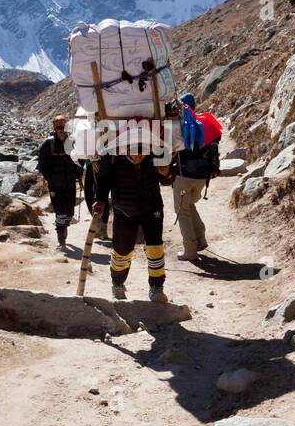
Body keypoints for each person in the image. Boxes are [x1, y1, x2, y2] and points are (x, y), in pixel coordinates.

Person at [92, 150, 172, 302]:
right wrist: (100, 199)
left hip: (152, 207)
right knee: (122, 251)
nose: (139, 155)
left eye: (142, 151)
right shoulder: (112, 156)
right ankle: (117, 284)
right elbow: (103, 180)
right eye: (134, 151)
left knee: (155, 248)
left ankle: (156, 288)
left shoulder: (156, 151)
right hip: (123, 210)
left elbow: (168, 180)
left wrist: (167, 173)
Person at [170, 93, 220, 260]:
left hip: (185, 176)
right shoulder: (205, 122)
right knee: (189, 205)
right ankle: (200, 238)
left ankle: (190, 250)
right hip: (203, 177)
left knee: (181, 211)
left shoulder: (182, 125)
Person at [37, 114, 82, 248]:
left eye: (64, 126)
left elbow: (80, 159)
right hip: (55, 185)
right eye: (59, 127)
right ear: (54, 128)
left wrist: (78, 173)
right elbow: (42, 164)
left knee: (69, 212)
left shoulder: (73, 142)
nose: (62, 129)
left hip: (70, 183)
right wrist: (50, 178)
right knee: (60, 211)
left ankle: (64, 228)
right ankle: (61, 240)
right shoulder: (48, 144)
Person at [82, 158, 110, 241]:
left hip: (100, 163)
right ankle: (100, 226)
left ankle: (101, 227)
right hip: (92, 164)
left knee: (99, 195)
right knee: (94, 195)